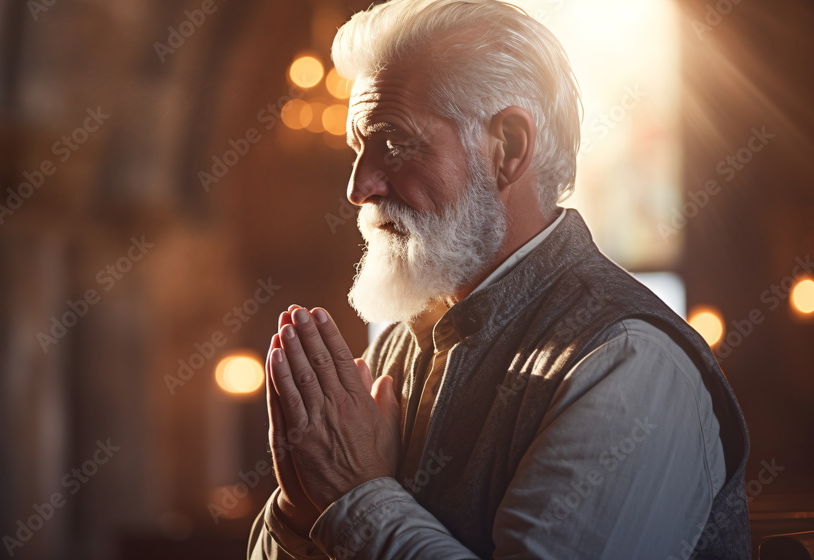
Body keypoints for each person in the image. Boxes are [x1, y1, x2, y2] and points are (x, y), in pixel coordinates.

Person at [247, 1, 750, 558]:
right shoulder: (398, 347)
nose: (358, 187)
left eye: (392, 142)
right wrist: (301, 504)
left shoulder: (629, 362)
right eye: (357, 148)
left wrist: (352, 496)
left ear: (507, 147)